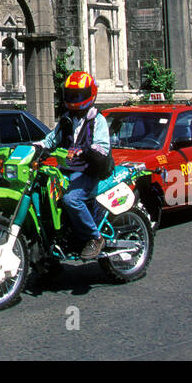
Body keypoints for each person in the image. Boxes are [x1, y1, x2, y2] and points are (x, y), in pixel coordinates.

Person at [36, 71, 113, 258]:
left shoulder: (98, 120)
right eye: (70, 95)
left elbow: (102, 148)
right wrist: (34, 148)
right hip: (68, 169)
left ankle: (95, 238)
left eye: (78, 95)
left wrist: (86, 151)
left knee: (72, 199)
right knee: (43, 193)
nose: (74, 99)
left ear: (90, 95)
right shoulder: (66, 118)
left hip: (89, 171)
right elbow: (50, 140)